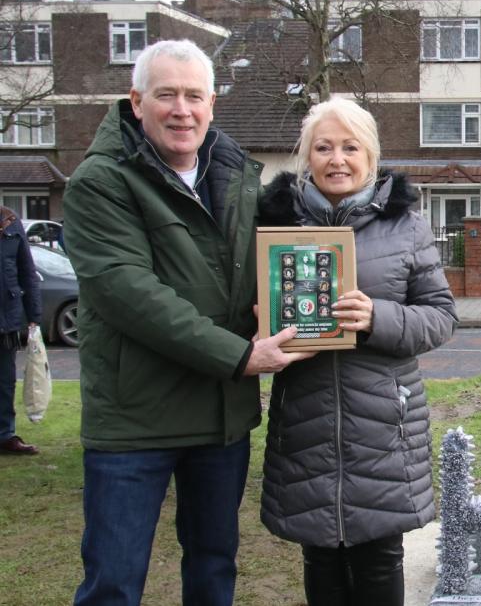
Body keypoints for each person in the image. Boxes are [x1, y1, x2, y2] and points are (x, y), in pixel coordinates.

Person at [64, 39, 313, 606]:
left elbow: (273, 262)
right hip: (135, 422)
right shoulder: (100, 182)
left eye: (194, 96)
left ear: (212, 104)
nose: (182, 110)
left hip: (218, 419)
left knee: (213, 571)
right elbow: (129, 294)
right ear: (136, 102)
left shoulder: (235, 177)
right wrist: (241, 357)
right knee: (114, 582)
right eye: (166, 95)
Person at [258, 97, 457, 606]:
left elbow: (440, 316)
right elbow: (244, 310)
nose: (337, 159)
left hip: (384, 424)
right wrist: (257, 322)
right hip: (306, 420)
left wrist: (377, 318)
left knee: (379, 558)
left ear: (370, 155)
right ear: (306, 155)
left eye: (350, 147)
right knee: (319, 557)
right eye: (323, 147)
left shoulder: (406, 225)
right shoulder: (275, 225)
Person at [0, 206, 41, 455]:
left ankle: (5, 435)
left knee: (5, 381)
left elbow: (28, 272)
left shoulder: (10, 221)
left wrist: (34, 317)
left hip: (7, 318)